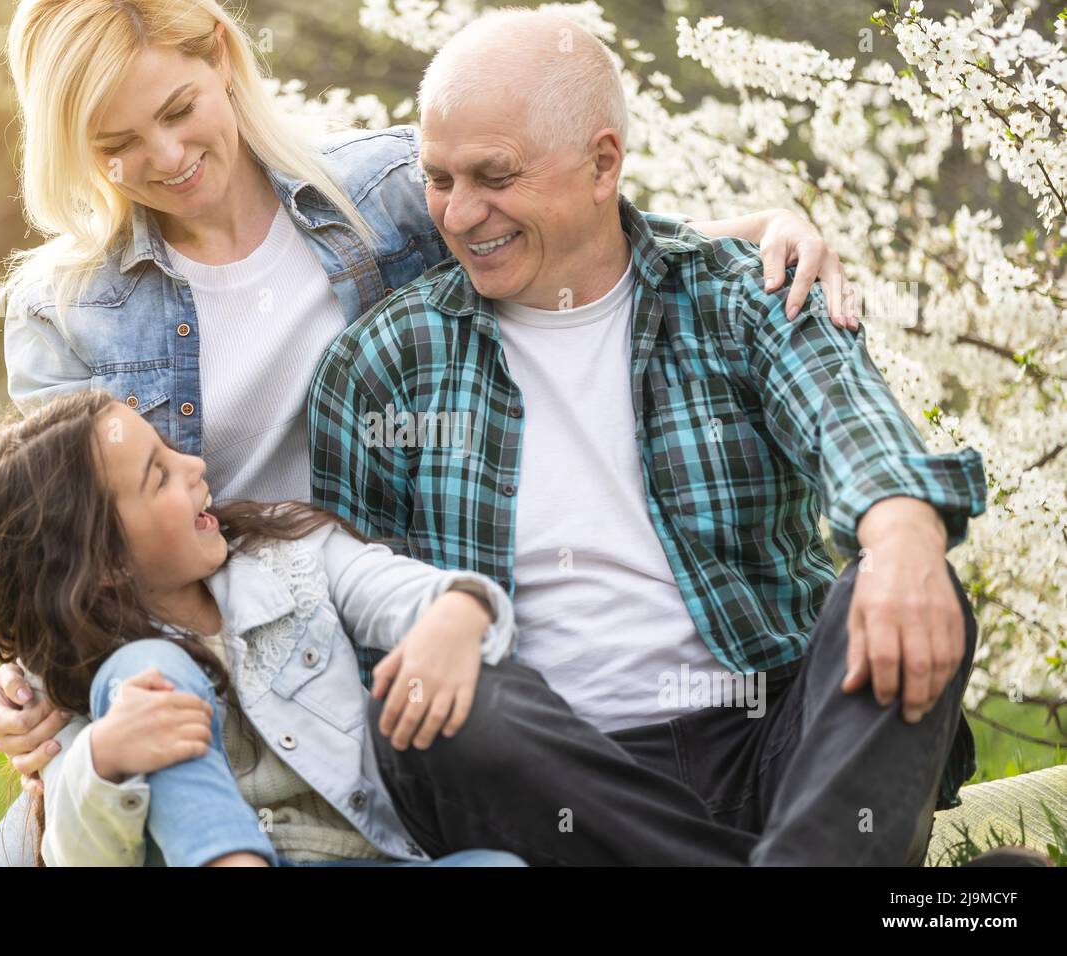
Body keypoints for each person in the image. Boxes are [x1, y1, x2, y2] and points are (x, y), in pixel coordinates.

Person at [0, 0, 855, 865]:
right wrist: (23, 675)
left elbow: (586, 243)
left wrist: (759, 231)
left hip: (365, 627)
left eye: (177, 112)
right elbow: (58, 530)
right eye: (115, 144)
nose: (164, 158)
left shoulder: (387, 191)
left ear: (220, 57)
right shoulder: (66, 308)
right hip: (190, 662)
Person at [303, 8, 986, 866]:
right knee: (425, 704)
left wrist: (904, 533)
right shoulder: (383, 364)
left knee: (907, 574)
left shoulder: (743, 298)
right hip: (549, 773)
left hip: (773, 747)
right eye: (437, 179)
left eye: (495, 175)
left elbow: (849, 424)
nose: (460, 212)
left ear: (602, 164)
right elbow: (359, 602)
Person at [0, 389, 525, 867]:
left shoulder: (290, 558)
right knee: (147, 674)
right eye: (159, 477)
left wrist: (459, 612)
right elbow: (80, 857)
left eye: (171, 451)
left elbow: (404, 591)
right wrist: (104, 756)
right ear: (107, 561)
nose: (194, 467)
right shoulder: (80, 673)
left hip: (362, 855)